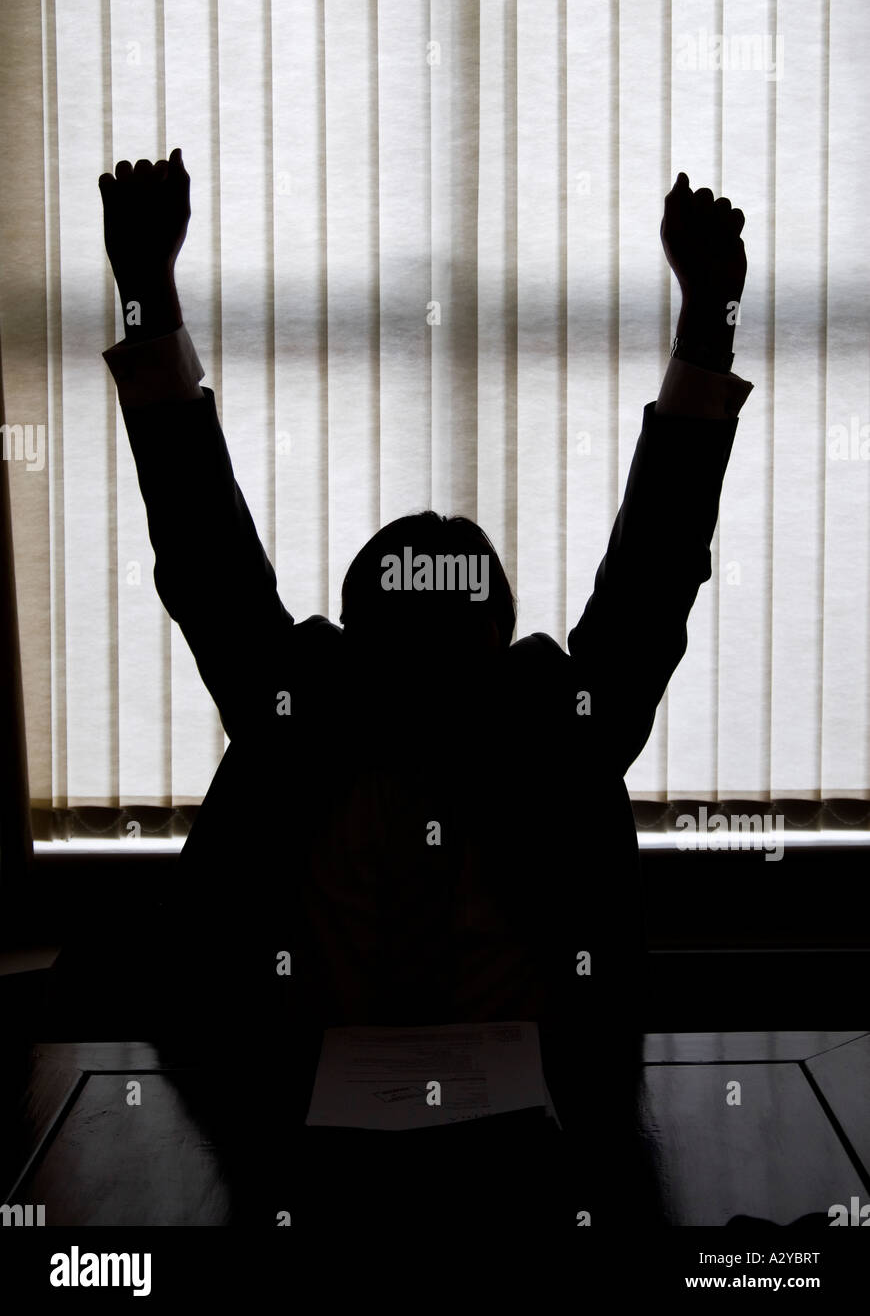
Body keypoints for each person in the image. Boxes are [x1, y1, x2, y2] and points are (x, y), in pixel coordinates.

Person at [97, 150, 753, 1228]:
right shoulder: (307, 706)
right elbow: (202, 544)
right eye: (403, 643)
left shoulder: (547, 717)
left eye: (452, 646)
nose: (427, 684)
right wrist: (144, 289)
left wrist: (710, 324)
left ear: (499, 646)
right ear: (352, 643)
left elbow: (655, 568)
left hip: (545, 1153)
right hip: (293, 1148)